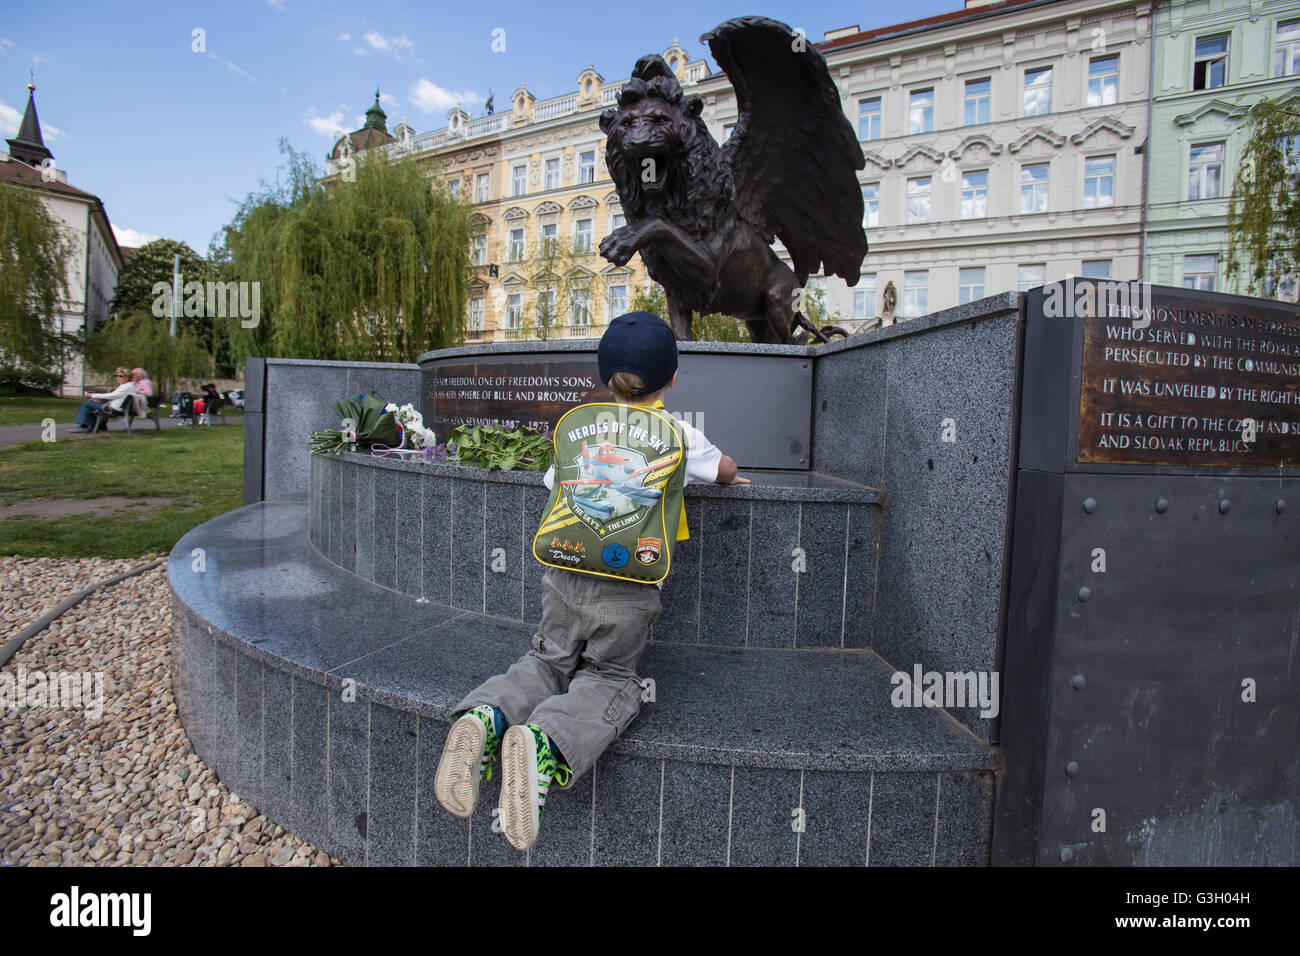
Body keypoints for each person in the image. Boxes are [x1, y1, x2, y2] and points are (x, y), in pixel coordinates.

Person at [434, 311, 750, 851]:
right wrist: (730, 474)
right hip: (627, 588)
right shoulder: (677, 432)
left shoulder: (578, 426)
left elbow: (556, 484)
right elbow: (723, 468)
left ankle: (486, 717)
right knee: (609, 678)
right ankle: (541, 745)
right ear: (672, 379)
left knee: (547, 660)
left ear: (605, 378)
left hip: (561, 573)